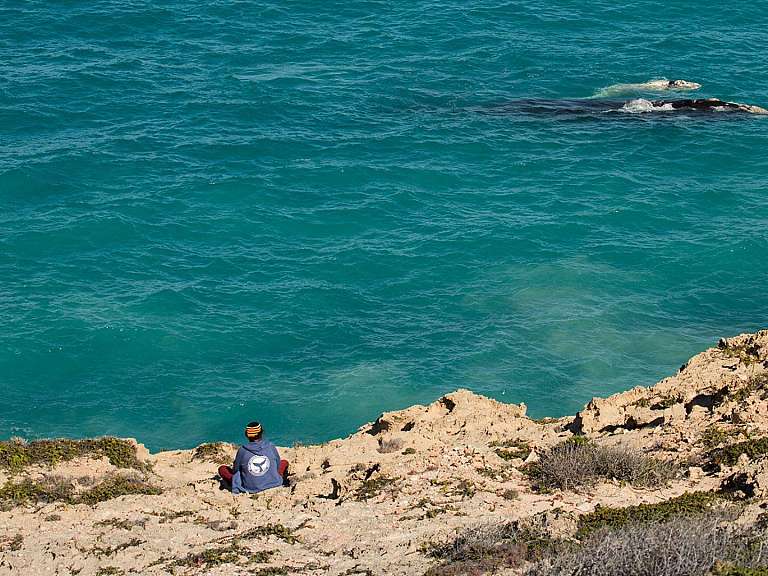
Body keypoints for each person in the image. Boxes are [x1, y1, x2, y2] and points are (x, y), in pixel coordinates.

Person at [218, 421, 289, 494]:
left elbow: (236, 469)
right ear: (262, 432)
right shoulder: (271, 446)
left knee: (222, 469)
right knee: (284, 462)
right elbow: (277, 464)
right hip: (275, 483)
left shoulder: (243, 450)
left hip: (251, 488)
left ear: (246, 435)